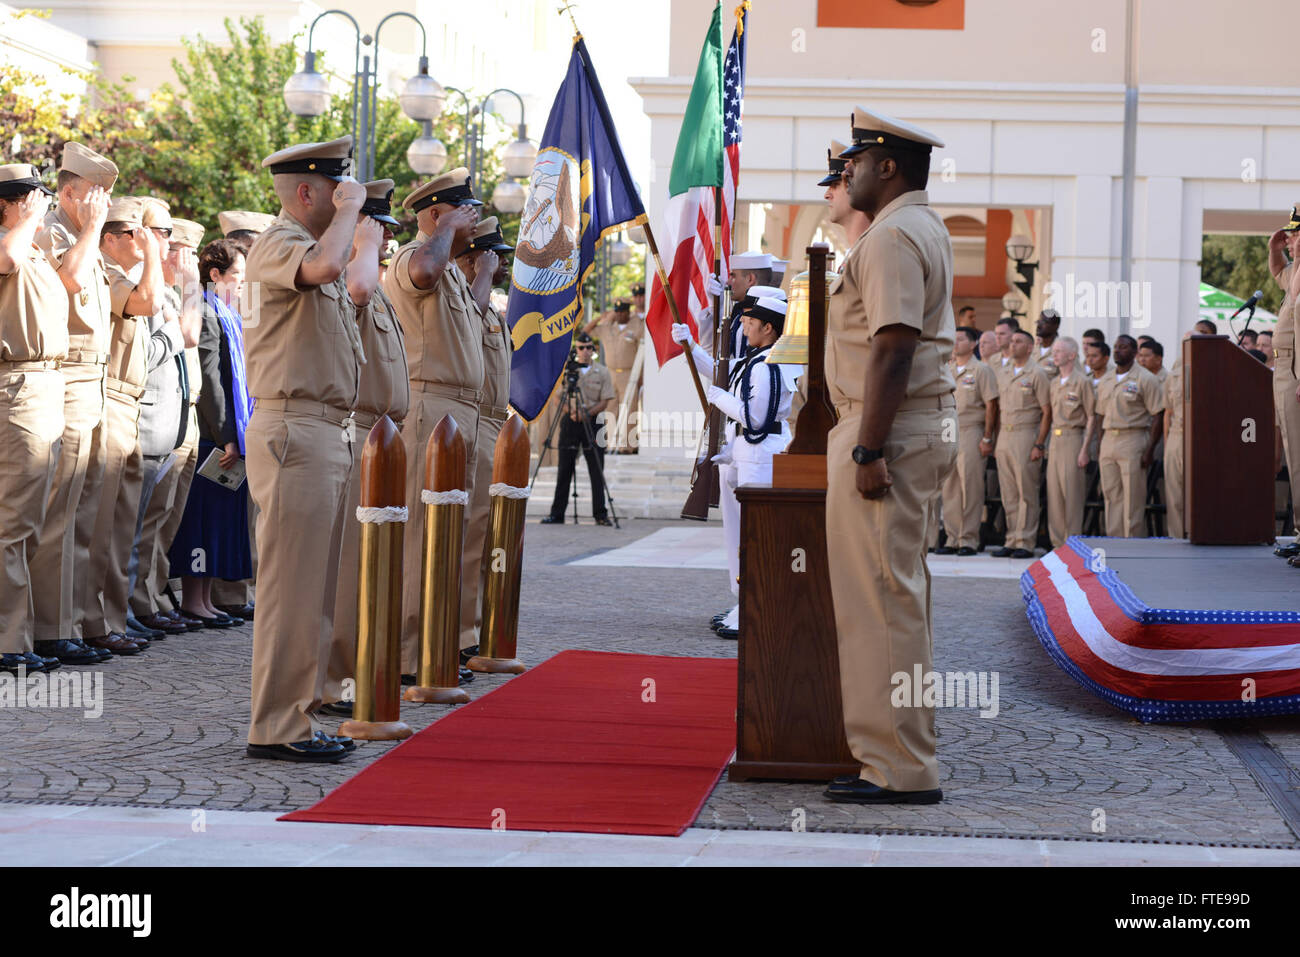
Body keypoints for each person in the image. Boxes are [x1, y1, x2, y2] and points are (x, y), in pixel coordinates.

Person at [822, 107, 955, 805]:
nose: (847, 171)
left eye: (857, 161)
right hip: (903, 426)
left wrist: (869, 445)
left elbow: (894, 345)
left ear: (889, 167)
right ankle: (892, 754)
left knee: (881, 600)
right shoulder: (916, 225)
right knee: (892, 595)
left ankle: (898, 765)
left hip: (887, 431)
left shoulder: (895, 234)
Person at [242, 134, 380, 762]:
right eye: (336, 186)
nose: (345, 195)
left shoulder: (309, 247)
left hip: (323, 429)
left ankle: (299, 711)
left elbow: (349, 287)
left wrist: (353, 223)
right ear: (307, 192)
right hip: (295, 428)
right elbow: (327, 269)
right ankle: (276, 725)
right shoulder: (282, 241)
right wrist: (351, 213)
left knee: (316, 588)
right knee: (291, 588)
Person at [381, 167, 487, 680]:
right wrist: (443, 230)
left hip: (459, 409)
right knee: (423, 533)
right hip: (429, 408)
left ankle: (435, 644)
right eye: (465, 211)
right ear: (437, 214)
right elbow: (422, 271)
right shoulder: (414, 257)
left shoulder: (450, 271)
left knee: (448, 533)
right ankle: (407, 655)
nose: (476, 219)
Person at [323, 179, 411, 715]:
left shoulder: (376, 288)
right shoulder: (353, 280)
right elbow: (355, 289)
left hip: (384, 438)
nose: (387, 246)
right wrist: (362, 243)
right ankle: (338, 682)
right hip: (357, 435)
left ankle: (362, 668)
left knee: (373, 565)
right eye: (381, 233)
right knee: (350, 569)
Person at [31, 142, 117, 666]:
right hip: (65, 382)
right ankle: (48, 627)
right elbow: (65, 285)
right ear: (68, 193)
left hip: (93, 384)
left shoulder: (83, 238)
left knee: (79, 517)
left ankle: (69, 622)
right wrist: (90, 231)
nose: (104, 205)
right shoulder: (55, 233)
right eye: (96, 194)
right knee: (56, 515)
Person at [673, 296, 797, 638]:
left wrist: (719, 398)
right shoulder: (755, 359)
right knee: (736, 535)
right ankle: (743, 599)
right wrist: (690, 346)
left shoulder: (770, 363)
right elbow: (721, 371)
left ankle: (757, 604)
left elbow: (756, 418)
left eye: (749, 321)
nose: (743, 325)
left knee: (754, 535)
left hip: (760, 451)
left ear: (768, 327)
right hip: (743, 450)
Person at [86, 196, 178, 657]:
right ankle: (95, 620)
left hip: (131, 401)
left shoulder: (125, 273)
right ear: (109, 240)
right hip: (110, 399)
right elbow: (148, 302)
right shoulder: (107, 272)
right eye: (133, 234)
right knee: (103, 526)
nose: (144, 241)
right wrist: (155, 260)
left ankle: (112, 617)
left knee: (122, 526)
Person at [0, 163, 68, 674]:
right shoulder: (11, 241)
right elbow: (7, 257)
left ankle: (22, 634)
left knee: (30, 523)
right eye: (34, 197)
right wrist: (23, 220)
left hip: (46, 385)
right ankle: (8, 642)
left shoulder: (34, 247)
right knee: (12, 523)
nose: (42, 205)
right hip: (18, 384)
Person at [124, 198, 201, 642]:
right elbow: (161, 348)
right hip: (148, 419)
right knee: (132, 529)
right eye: (165, 236)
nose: (174, 248)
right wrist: (179, 312)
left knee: (155, 524)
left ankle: (147, 599)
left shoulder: (165, 293)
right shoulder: (144, 289)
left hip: (173, 418)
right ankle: (131, 605)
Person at [168, 237, 254, 627]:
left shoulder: (230, 313)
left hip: (229, 433)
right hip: (211, 435)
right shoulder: (206, 309)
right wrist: (226, 437)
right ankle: (193, 599)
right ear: (215, 274)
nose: (242, 282)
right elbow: (210, 380)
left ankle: (205, 599)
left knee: (219, 520)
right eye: (237, 274)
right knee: (201, 520)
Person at [453, 216, 514, 668]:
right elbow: (465, 333)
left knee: (485, 532)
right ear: (472, 259)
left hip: (493, 422)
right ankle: (457, 634)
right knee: (469, 533)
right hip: (471, 421)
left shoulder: (487, 304)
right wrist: (482, 280)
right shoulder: (464, 295)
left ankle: (470, 627)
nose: (500, 265)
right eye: (492, 257)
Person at [936, 326, 998, 556]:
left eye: (961, 339)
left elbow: (991, 405)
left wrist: (987, 437)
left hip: (972, 430)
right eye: (954, 338)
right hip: (949, 429)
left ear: (973, 344)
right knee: (950, 487)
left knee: (970, 486)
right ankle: (952, 537)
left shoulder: (981, 370)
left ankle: (969, 539)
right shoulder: (948, 369)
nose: (956, 342)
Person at [542, 332, 615, 525]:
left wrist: (587, 413)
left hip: (593, 422)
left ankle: (600, 514)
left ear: (593, 350)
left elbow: (606, 400)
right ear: (576, 350)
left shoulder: (602, 371)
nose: (585, 351)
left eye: (589, 347)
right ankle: (557, 513)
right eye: (581, 348)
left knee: (596, 468)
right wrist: (571, 412)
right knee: (564, 468)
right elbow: (557, 397)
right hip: (570, 421)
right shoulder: (567, 371)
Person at [1095, 334, 1164, 537]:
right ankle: (1115, 541)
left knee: (1133, 498)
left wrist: (1150, 449)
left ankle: (1133, 542)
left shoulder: (1146, 379)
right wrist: (1100, 443)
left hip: (1132, 438)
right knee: (1111, 495)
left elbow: (1157, 415)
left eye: (1123, 347)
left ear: (1134, 353)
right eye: (1116, 347)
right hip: (1109, 439)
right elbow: (1099, 414)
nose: (1118, 350)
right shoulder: (1106, 379)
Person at [991, 329, 1051, 558]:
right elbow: (996, 409)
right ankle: (1012, 538)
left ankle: (1026, 541)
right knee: (1009, 492)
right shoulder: (1003, 372)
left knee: (1027, 490)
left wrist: (1039, 443)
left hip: (1026, 434)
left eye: (1018, 341)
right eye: (1012, 341)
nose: (1012, 344)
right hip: (1005, 435)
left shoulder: (1037, 373)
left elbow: (1047, 411)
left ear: (1029, 347)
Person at [1268, 207, 1300, 559]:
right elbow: (1279, 275)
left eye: (1294, 235)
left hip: (1296, 370)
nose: (1289, 239)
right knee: (1295, 454)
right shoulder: (1294, 269)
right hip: (1285, 368)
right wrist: (1274, 249)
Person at [1045, 336, 1095, 547]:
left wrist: (1085, 449)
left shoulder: (1082, 382)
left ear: (1072, 355)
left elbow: (1092, 415)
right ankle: (1057, 543)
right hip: (1055, 440)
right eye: (1054, 351)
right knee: (1054, 494)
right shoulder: (1055, 383)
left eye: (1059, 351)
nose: (1054, 355)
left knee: (1072, 494)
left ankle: (1072, 543)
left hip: (1073, 437)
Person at [701, 250, 772, 358]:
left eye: (733, 276)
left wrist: (691, 347)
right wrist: (716, 306)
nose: (728, 282)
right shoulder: (738, 314)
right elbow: (712, 348)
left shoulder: (767, 315)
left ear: (750, 279)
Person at [821, 140, 871, 246]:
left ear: (855, 186)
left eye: (835, 185)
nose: (826, 195)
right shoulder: (862, 248)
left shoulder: (873, 246)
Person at [1164, 332, 1189, 538]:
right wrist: (1166, 442)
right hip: (1176, 435)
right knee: (1174, 493)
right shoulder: (1174, 375)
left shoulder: (1213, 369)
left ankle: (1198, 533)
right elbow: (1167, 412)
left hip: (1200, 437)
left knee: (1198, 492)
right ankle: (1176, 536)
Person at [1035, 309, 1061, 377]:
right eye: (1038, 322)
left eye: (1044, 322)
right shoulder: (1032, 351)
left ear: (1056, 326)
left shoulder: (1064, 350)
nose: (1038, 326)